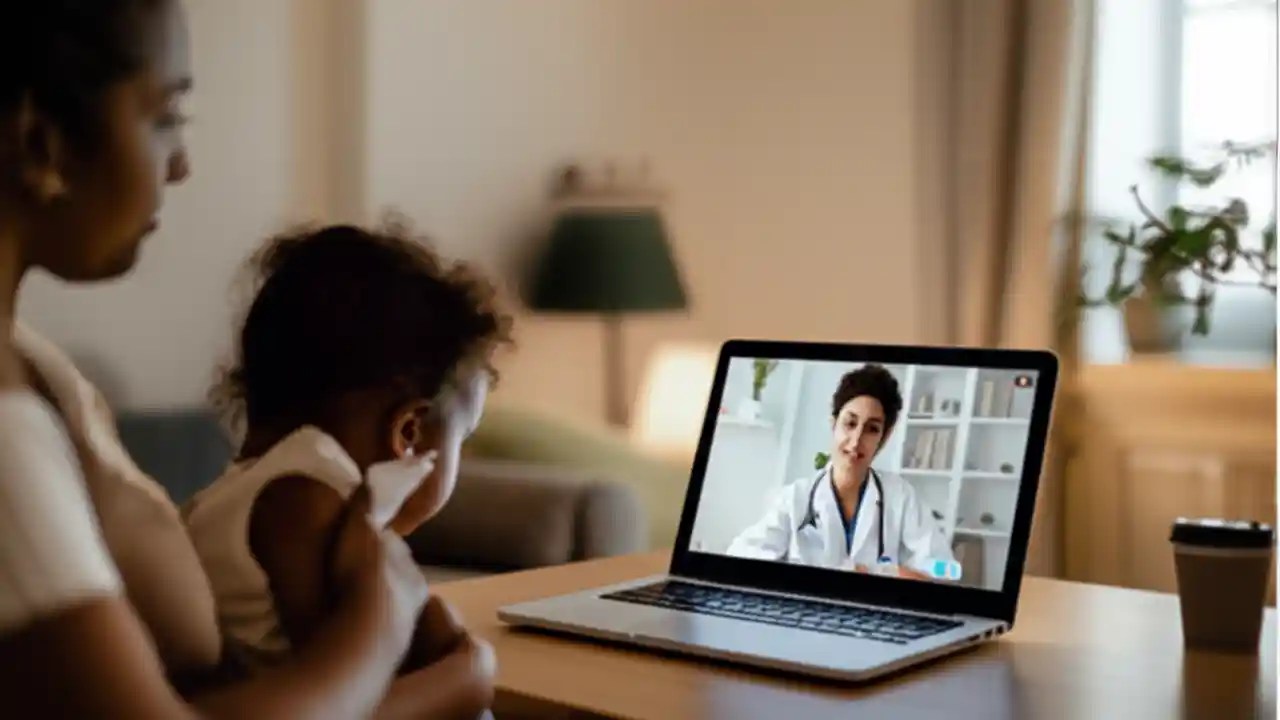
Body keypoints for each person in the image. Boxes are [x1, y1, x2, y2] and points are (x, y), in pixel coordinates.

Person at [0, 2, 493, 716]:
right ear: (41, 142)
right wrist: (400, 639)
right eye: (164, 116)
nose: (180, 163)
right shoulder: (8, 419)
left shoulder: (34, 369)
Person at [185, 223, 510, 685]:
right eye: (464, 437)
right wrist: (464, 672)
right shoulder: (304, 499)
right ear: (409, 432)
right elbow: (349, 688)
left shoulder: (252, 489)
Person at [726, 365, 956, 580]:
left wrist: (882, 572)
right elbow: (739, 555)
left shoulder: (901, 497)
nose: (856, 441)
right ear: (833, 424)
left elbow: (948, 570)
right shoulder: (795, 498)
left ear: (883, 438)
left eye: (872, 429)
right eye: (850, 423)